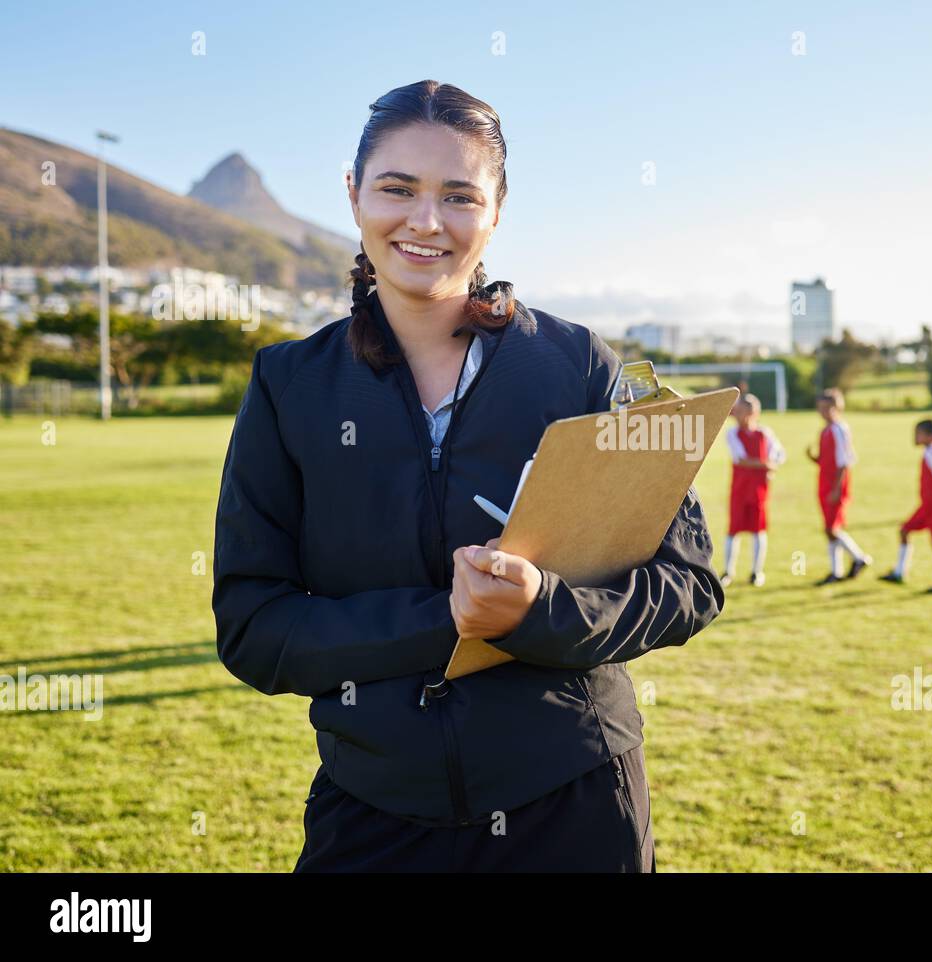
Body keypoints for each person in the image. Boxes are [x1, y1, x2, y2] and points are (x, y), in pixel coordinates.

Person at [211, 81, 723, 873]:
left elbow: (687, 583)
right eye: (397, 189)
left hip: (576, 805)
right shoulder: (289, 385)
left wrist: (541, 610)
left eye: (458, 195)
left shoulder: (579, 366)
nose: (425, 222)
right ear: (353, 195)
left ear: (497, 209)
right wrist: (448, 619)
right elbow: (253, 626)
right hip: (374, 814)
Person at [880, 418, 932, 593]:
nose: (915, 437)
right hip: (926, 506)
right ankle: (899, 572)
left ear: (931, 435)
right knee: (904, 531)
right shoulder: (929, 452)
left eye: (919, 433)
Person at [804, 388, 870, 585]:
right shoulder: (826, 430)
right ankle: (836, 571)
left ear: (837, 408)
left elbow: (844, 461)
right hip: (824, 484)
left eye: (827, 408)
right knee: (829, 528)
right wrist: (814, 458)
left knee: (832, 528)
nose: (822, 412)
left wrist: (836, 488)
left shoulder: (839, 430)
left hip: (835, 486)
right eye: (820, 408)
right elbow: (828, 460)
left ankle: (859, 558)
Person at [720, 393, 785, 588]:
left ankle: (757, 572)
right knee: (734, 530)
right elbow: (741, 459)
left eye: (740, 411)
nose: (735, 415)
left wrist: (771, 466)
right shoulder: (732, 433)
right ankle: (728, 571)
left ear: (753, 413)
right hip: (740, 488)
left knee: (759, 529)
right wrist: (767, 465)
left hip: (759, 490)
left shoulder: (765, 433)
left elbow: (780, 454)